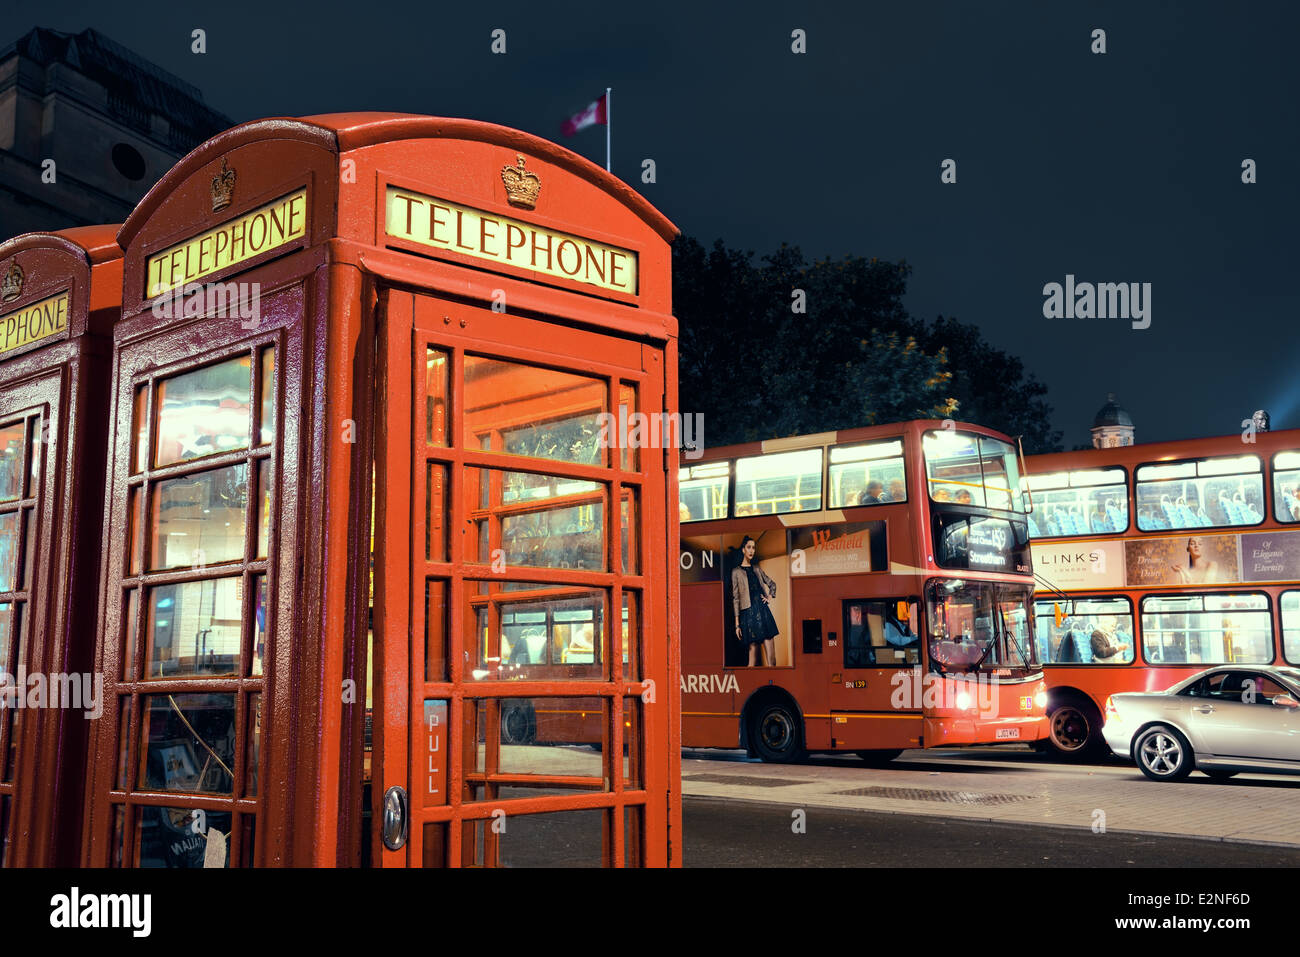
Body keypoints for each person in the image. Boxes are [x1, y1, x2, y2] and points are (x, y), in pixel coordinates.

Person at [731, 535, 780, 666]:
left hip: (763, 613)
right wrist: (737, 625)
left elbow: (772, 584)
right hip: (748, 616)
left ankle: (772, 684)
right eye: (749, 547)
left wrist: (769, 597)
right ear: (743, 550)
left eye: (753, 548)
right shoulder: (736, 572)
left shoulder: (757, 569)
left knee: (772, 661)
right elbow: (736, 599)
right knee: (752, 662)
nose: (751, 550)